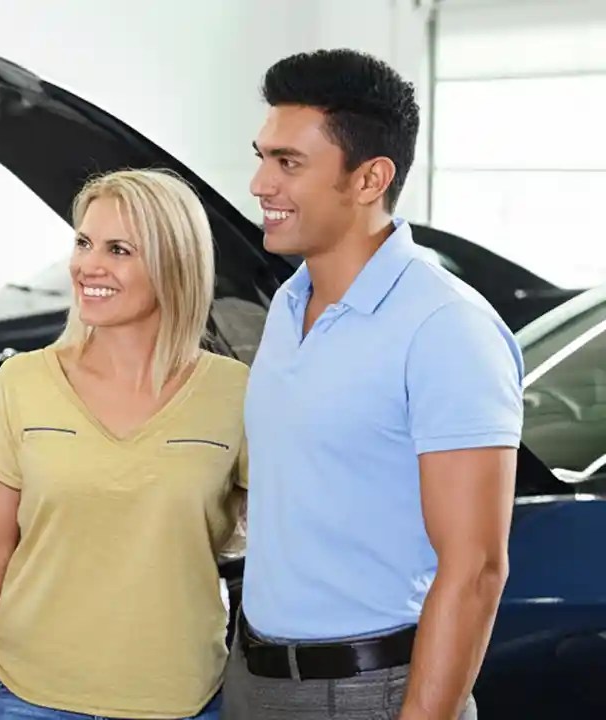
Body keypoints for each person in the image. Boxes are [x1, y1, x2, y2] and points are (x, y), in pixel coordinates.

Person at [223, 49, 524, 720]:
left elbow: (476, 568)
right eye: (262, 156)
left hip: (368, 691)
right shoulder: (287, 304)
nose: (259, 183)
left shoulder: (446, 326)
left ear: (370, 179)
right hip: (251, 677)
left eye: (288, 163)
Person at [0, 168, 249, 720]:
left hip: (179, 701)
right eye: (83, 242)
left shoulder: (236, 393)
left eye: (118, 249)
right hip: (25, 697)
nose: (87, 266)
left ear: (174, 263)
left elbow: (287, 538)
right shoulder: (23, 382)